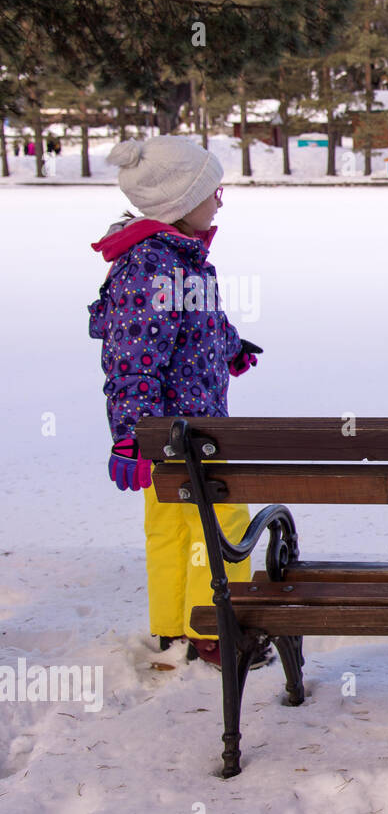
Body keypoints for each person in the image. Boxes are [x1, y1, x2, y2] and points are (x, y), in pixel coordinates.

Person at [87, 136, 270, 669]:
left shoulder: (175, 258)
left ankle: (177, 626)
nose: (220, 199)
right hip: (185, 434)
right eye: (212, 189)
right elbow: (133, 362)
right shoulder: (154, 267)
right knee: (222, 524)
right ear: (178, 202)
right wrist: (130, 434)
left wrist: (230, 348)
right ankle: (217, 631)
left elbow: (197, 324)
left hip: (178, 429)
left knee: (173, 523)